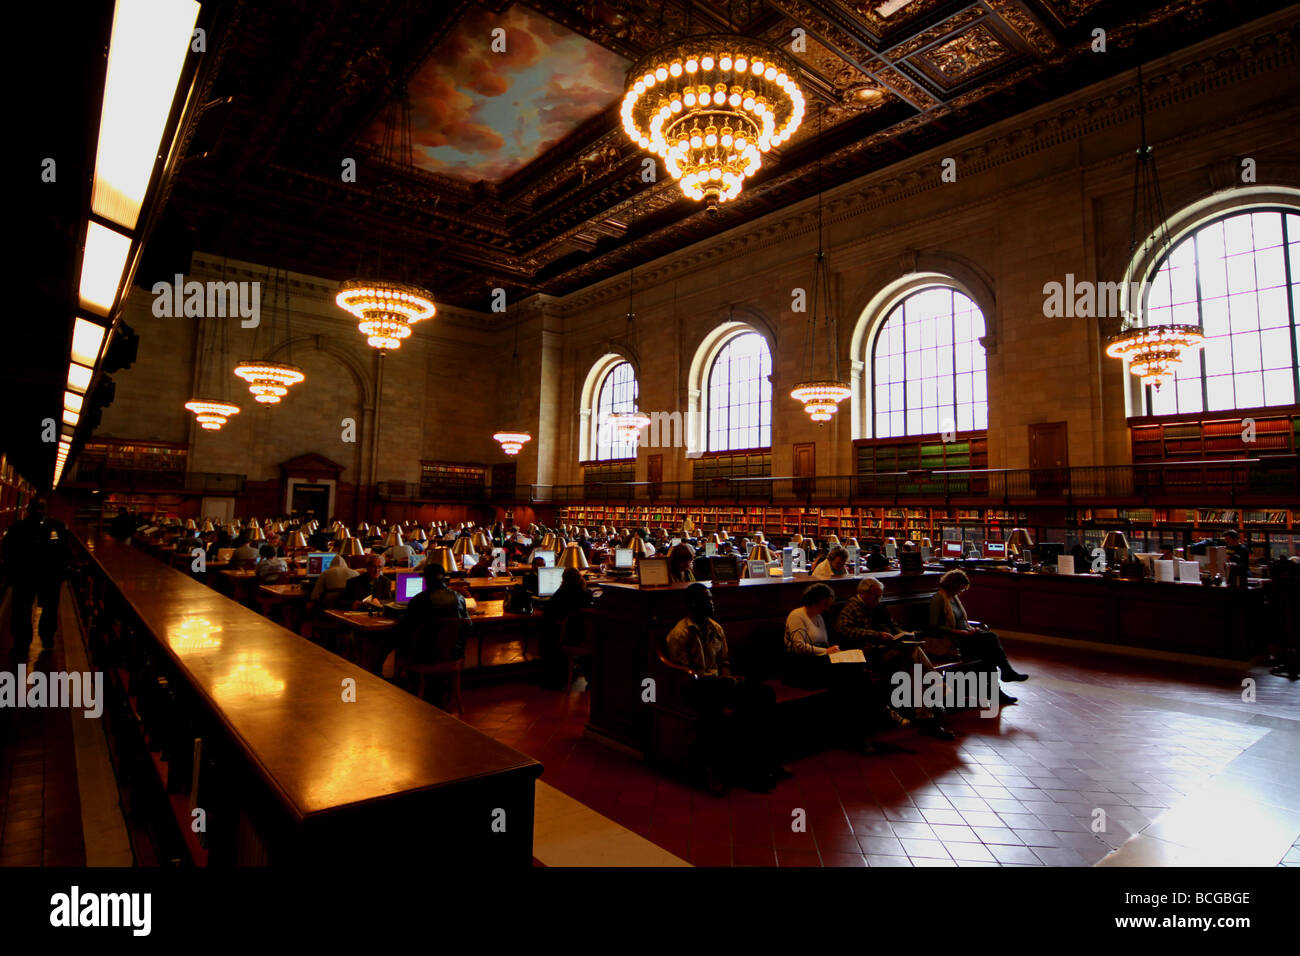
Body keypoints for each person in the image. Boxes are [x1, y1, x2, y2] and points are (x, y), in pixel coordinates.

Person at [664, 584, 791, 793]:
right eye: (707, 600)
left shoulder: (716, 628)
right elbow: (682, 673)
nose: (712, 603)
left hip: (719, 684)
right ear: (693, 604)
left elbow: (724, 662)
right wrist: (718, 682)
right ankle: (715, 770)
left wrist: (725, 677)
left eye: (711, 599)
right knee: (714, 712)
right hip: (694, 688)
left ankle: (764, 763)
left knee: (763, 695)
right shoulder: (681, 633)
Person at [783, 583, 903, 752]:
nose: (827, 608)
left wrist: (835, 650)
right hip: (801, 665)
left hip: (821, 661)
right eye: (825, 604)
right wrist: (826, 651)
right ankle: (877, 714)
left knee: (854, 675)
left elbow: (827, 641)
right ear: (816, 600)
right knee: (852, 678)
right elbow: (798, 647)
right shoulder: (797, 615)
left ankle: (861, 729)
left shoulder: (819, 617)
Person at [836, 577, 955, 739]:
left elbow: (893, 625)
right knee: (914, 654)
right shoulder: (852, 607)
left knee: (914, 661)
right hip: (868, 657)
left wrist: (902, 635)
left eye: (880, 596)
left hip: (886, 650)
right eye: (875, 595)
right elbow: (844, 630)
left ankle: (926, 716)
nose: (878, 599)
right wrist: (878, 636)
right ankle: (940, 694)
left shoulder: (878, 607)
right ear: (863, 593)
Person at [930, 569, 1027, 706]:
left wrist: (970, 629)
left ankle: (1001, 682)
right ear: (952, 585)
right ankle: (1004, 676)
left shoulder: (953, 598)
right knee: (990, 641)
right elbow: (934, 626)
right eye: (960, 588)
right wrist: (960, 632)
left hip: (965, 636)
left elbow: (962, 620)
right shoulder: (939, 599)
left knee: (989, 648)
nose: (961, 592)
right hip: (952, 640)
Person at [2, 497, 72, 659]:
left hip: (42, 576)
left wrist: (62, 571)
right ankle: (24, 642)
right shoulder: (19, 528)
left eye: (41, 508)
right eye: (37, 508)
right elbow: (9, 552)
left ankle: (43, 637)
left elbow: (64, 550)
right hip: (31, 576)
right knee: (24, 610)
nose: (39, 511)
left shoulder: (55, 527)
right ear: (30, 510)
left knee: (43, 609)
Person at [398, 564, 471, 707]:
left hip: (424, 656)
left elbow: (407, 627)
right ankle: (442, 687)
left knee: (400, 642)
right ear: (445, 579)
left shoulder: (418, 600)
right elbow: (468, 624)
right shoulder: (458, 598)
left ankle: (412, 686)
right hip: (452, 654)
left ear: (425, 580)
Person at [540, 567, 594, 688]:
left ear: (563, 579)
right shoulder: (587, 595)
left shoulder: (560, 596)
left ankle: (553, 674)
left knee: (546, 631)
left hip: (567, 638)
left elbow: (549, 615)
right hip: (586, 638)